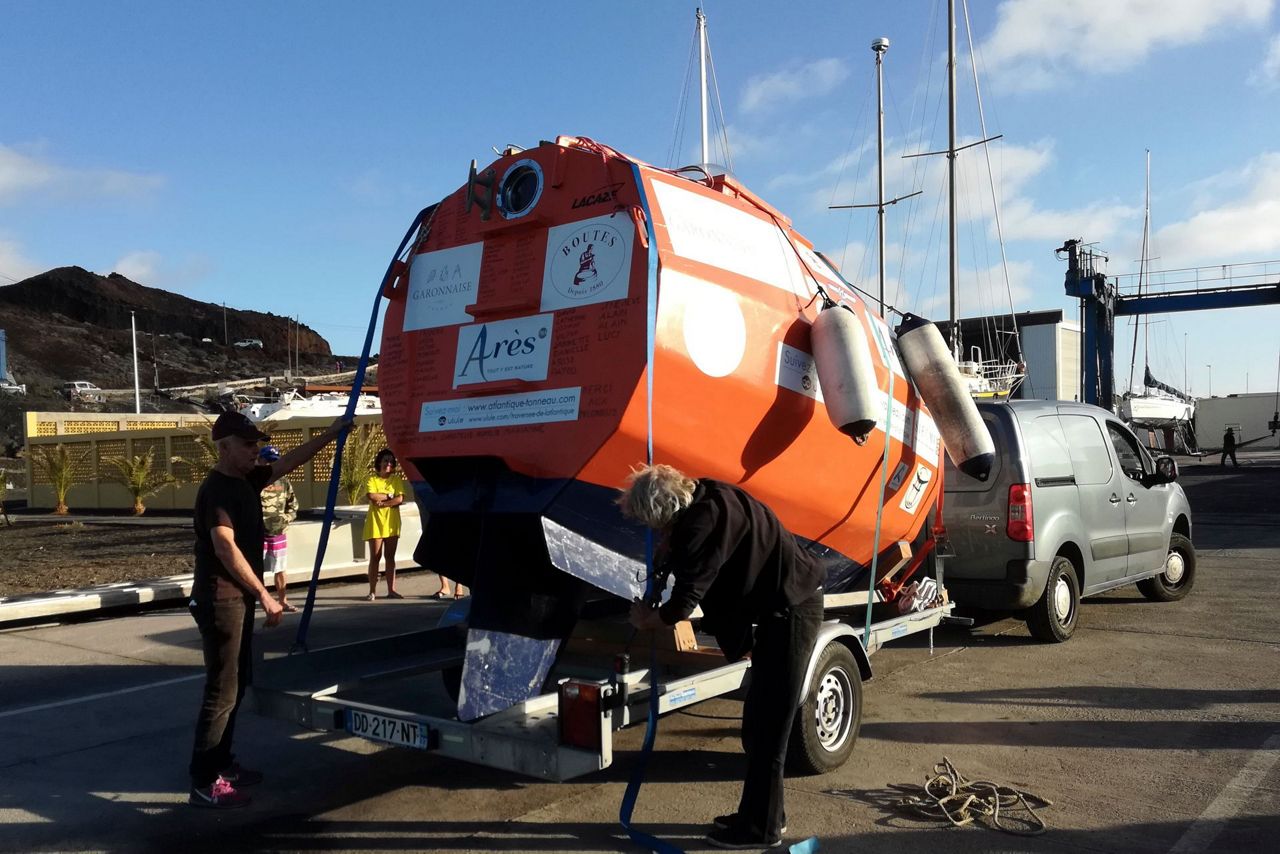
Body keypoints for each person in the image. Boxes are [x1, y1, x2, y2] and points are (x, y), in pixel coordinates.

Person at [620, 464, 824, 850]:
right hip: (777, 610)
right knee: (757, 726)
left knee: (768, 731)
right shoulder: (707, 494)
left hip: (791, 609)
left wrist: (648, 620)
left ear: (663, 514)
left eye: (653, 525)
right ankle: (765, 816)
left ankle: (758, 832)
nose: (654, 534)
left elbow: (684, 603)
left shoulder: (701, 525)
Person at [188, 411, 349, 809]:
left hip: (236, 598)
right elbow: (224, 547)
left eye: (255, 443)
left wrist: (330, 435)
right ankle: (205, 781)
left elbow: (289, 461)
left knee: (237, 684)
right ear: (223, 447)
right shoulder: (219, 490)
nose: (254, 450)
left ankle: (222, 764)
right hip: (221, 597)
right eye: (246, 444)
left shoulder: (247, 479)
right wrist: (264, 593)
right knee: (221, 691)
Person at [363, 448, 410, 601]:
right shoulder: (372, 479)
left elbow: (400, 499)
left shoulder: (396, 480)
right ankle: (372, 591)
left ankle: (392, 590)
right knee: (375, 557)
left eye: (391, 461)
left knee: (390, 557)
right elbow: (371, 495)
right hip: (375, 522)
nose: (388, 464)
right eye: (385, 461)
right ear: (379, 462)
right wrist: (390, 496)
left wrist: (385, 502)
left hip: (391, 523)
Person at [258, 445, 299, 613]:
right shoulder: (253, 481)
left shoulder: (283, 481)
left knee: (280, 569)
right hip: (257, 534)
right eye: (267, 460)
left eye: (273, 462)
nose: (270, 465)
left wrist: (285, 519)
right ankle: (261, 601)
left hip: (278, 533)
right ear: (259, 460)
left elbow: (293, 504)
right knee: (255, 570)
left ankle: (283, 601)